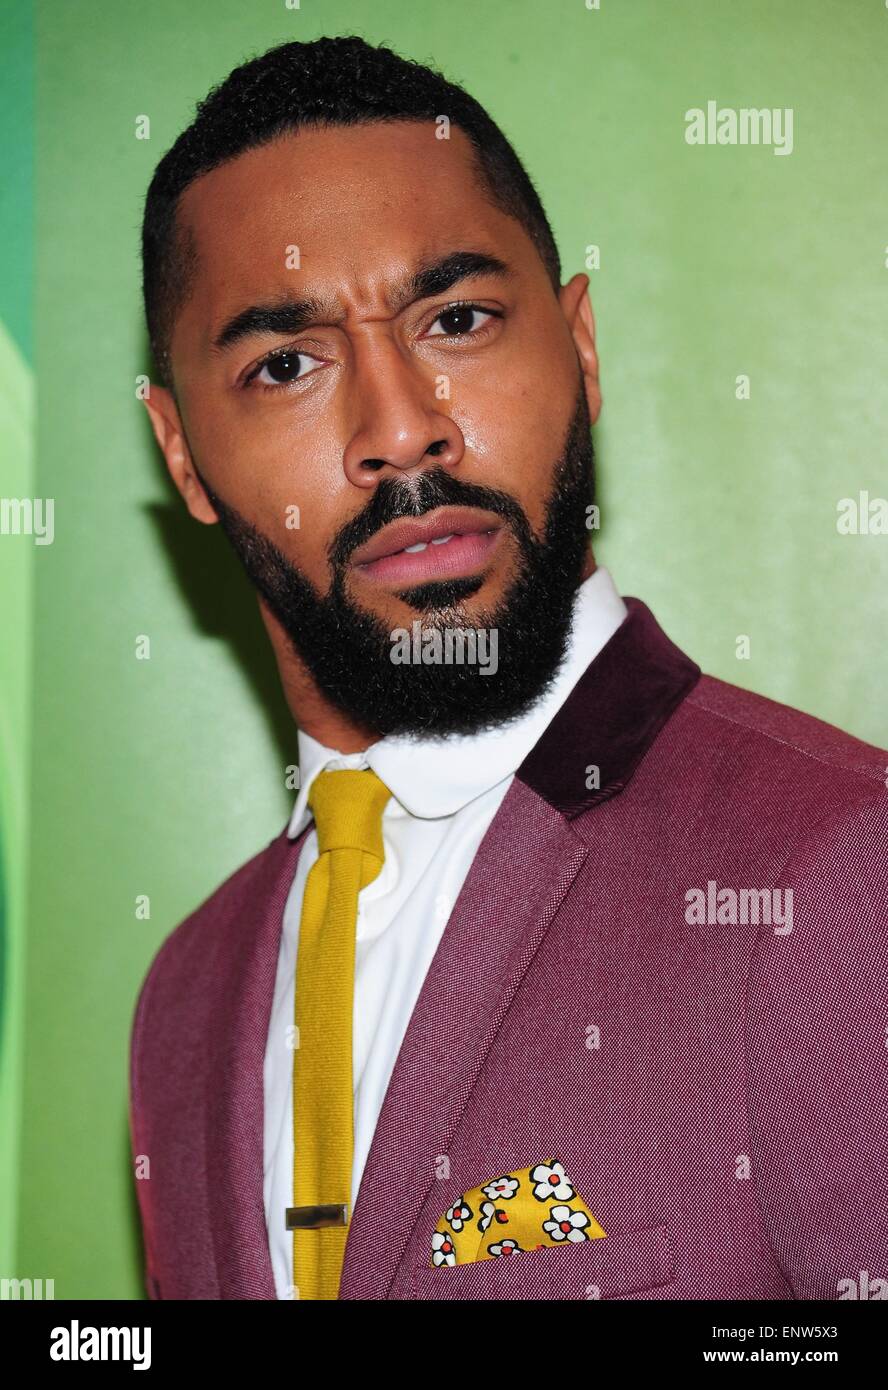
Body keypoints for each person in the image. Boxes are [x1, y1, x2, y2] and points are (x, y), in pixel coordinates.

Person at [130, 34, 888, 1301]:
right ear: (183, 455)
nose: (401, 426)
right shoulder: (187, 1001)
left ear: (580, 348)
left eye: (459, 318)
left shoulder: (838, 870)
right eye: (285, 364)